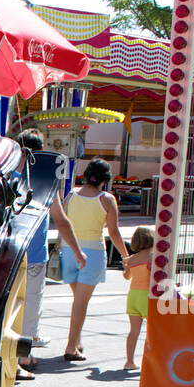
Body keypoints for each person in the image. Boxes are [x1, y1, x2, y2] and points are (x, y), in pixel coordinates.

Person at [16, 130, 85, 374]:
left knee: (10, 304)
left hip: (9, 252)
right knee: (30, 305)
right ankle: (23, 357)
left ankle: (16, 354)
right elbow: (61, 220)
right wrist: (77, 250)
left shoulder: (7, 176)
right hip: (34, 254)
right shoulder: (46, 181)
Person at [61, 158, 129, 361]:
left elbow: (64, 221)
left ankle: (77, 341)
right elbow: (114, 232)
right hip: (93, 253)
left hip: (69, 250)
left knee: (78, 301)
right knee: (81, 303)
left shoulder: (71, 194)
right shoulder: (106, 199)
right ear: (105, 179)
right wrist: (126, 256)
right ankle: (71, 347)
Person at [122, 225, 153, 372]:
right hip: (146, 296)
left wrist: (126, 265)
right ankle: (151, 362)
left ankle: (129, 361)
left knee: (133, 331)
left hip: (133, 295)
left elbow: (127, 276)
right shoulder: (152, 257)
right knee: (152, 332)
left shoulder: (132, 259)